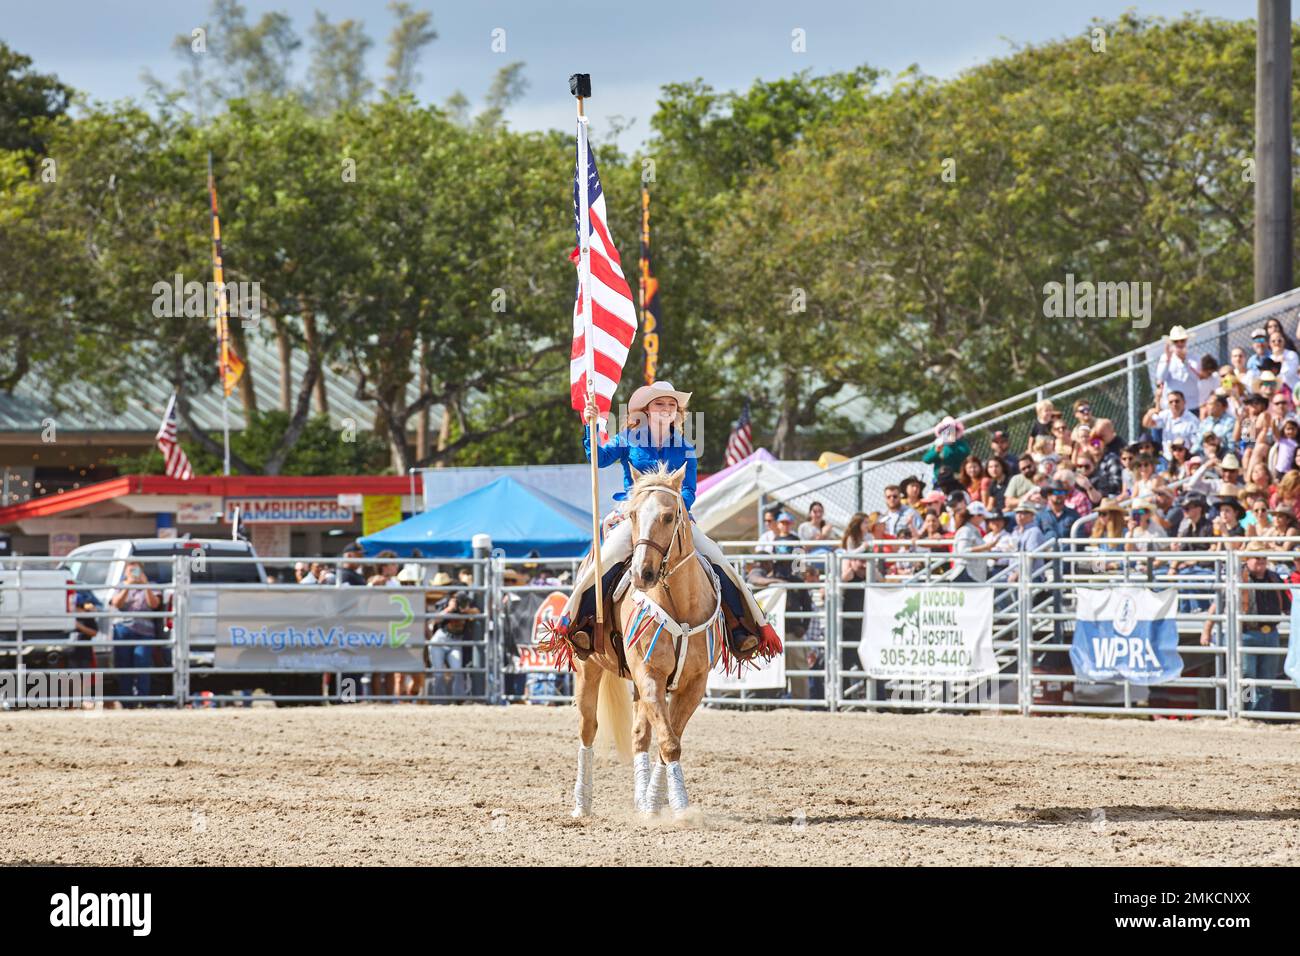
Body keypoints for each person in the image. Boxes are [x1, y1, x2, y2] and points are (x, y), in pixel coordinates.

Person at [556, 381, 780, 663]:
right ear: (647, 411)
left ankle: (740, 626)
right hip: (637, 516)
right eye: (659, 404)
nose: (666, 409)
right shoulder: (629, 438)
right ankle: (583, 622)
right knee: (608, 556)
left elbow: (688, 489)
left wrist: (674, 511)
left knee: (717, 559)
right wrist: (590, 425)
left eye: (671, 405)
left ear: (678, 413)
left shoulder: (685, 447)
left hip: (676, 518)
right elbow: (596, 459)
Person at [1236, 545, 1288, 713]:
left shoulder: (1274, 577)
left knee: (1266, 680)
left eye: (1264, 558)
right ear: (1247, 560)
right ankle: (1247, 713)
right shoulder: (1239, 578)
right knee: (1247, 677)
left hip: (1270, 632)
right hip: (1247, 633)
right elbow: (1220, 604)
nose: (1261, 562)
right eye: (1257, 558)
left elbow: (1287, 604)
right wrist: (1208, 626)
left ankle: (1261, 715)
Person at [108, 562, 161, 707]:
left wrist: (146, 586)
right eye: (131, 570)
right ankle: (127, 702)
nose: (134, 573)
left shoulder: (151, 585)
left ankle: (143, 700)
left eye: (136, 570)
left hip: (145, 632)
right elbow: (117, 603)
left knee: (142, 663)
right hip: (123, 631)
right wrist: (128, 586)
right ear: (125, 572)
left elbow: (154, 604)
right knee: (124, 666)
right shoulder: (120, 586)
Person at [1154, 325, 1209, 413]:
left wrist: (1185, 361)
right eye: (1176, 341)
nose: (1179, 343)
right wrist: (1168, 360)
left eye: (1182, 340)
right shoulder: (1165, 358)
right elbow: (1161, 377)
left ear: (1186, 341)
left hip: (1192, 404)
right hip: (1172, 406)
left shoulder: (1195, 357)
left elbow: (1198, 377)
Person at [921, 415, 970, 485]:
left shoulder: (960, 444)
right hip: (940, 480)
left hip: (957, 479)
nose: (949, 432)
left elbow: (965, 453)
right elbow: (926, 459)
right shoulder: (937, 445)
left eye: (951, 430)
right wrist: (936, 451)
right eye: (946, 430)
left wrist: (952, 445)